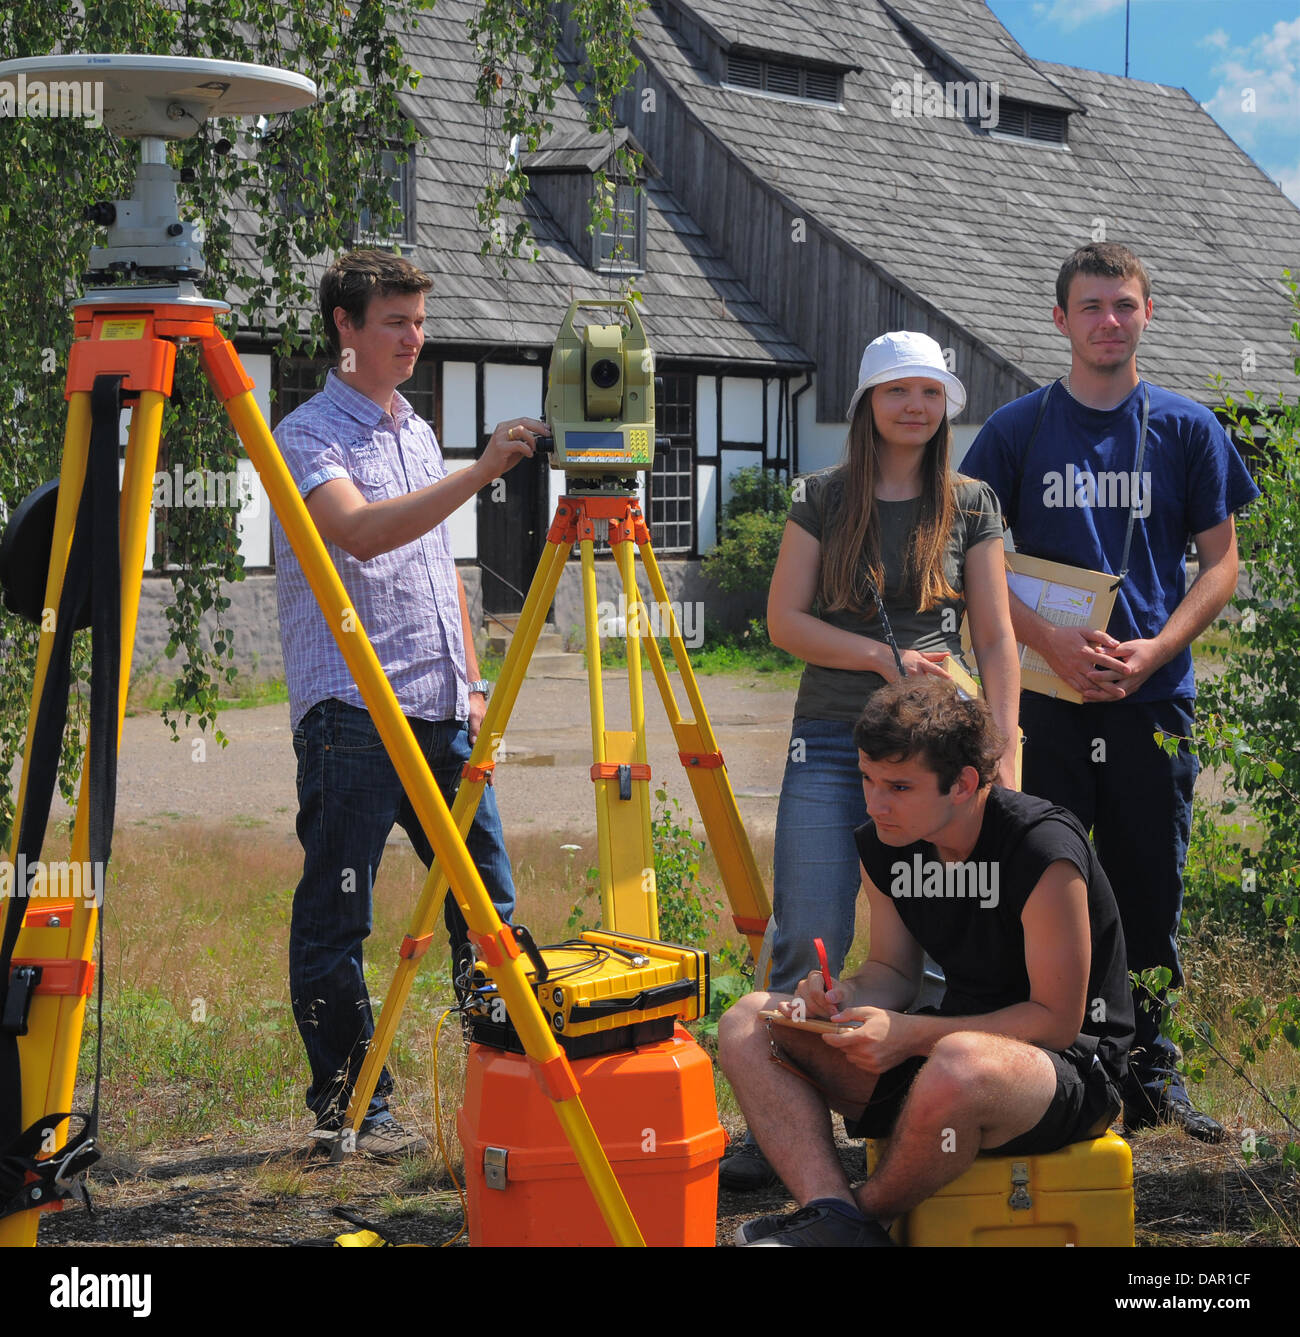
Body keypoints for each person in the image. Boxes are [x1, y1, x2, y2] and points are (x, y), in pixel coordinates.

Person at [961, 243, 1258, 1143]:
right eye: (1090, 307)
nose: (1107, 322)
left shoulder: (1188, 428)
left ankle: (1151, 1077)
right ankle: (1043, 1074)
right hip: (1043, 700)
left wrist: (1159, 646)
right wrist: (1047, 637)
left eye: (1123, 306)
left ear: (1147, 314)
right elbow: (969, 556)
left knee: (1147, 887)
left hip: (1151, 701)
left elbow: (1223, 563)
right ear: (1060, 320)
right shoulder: (1015, 431)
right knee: (1041, 883)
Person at [720, 330, 1020, 1190]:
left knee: (929, 942)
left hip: (939, 752)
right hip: (831, 741)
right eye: (898, 393)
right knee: (807, 938)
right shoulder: (821, 495)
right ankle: (778, 1128)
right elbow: (785, 622)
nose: (915, 408)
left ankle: (912, 1123)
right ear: (867, 404)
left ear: (945, 408)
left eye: (930, 393)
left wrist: (1003, 744)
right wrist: (881, 660)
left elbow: (996, 637)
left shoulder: (972, 502)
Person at [272, 250, 542, 1155]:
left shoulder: (415, 432)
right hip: (352, 710)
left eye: (420, 322)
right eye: (395, 322)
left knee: (488, 907)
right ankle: (354, 1109)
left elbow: (438, 571)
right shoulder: (308, 433)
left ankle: (505, 1081)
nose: (413, 338)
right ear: (345, 328)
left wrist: (470, 682)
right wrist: (480, 473)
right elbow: (361, 533)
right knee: (340, 913)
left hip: (439, 706)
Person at [717, 677, 1134, 1246]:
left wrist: (911, 1035)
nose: (874, 802)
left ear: (962, 783)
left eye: (898, 786)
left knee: (959, 1061)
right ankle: (829, 1210)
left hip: (1065, 1072)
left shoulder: (1040, 846)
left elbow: (1057, 1021)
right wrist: (838, 997)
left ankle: (856, 1221)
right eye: (867, 778)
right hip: (946, 1061)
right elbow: (892, 972)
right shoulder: (887, 842)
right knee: (749, 1021)